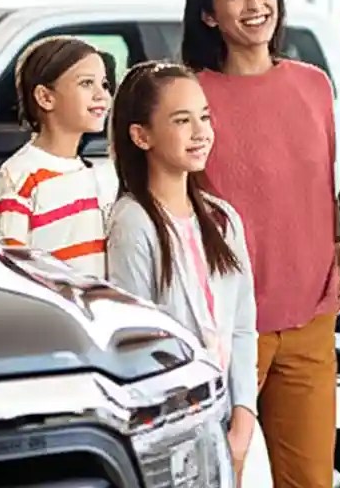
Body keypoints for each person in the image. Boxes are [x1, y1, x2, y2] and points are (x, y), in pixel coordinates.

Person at [180, 0, 340, 488]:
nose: (255, 4)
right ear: (209, 15)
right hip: (225, 328)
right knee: (215, 477)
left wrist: (337, 245)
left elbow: (323, 186)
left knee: (310, 481)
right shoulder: (193, 94)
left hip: (309, 317)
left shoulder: (314, 85)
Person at [103, 61, 258, 484]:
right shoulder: (133, 222)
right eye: (181, 120)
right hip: (170, 426)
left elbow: (242, 326)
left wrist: (244, 416)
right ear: (141, 135)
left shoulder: (222, 218)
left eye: (204, 116)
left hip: (223, 413)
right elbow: (135, 347)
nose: (201, 131)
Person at [0, 36, 116, 277]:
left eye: (104, 84)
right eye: (86, 83)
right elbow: (8, 270)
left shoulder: (94, 174)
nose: (102, 95)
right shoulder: (19, 177)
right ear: (45, 97)